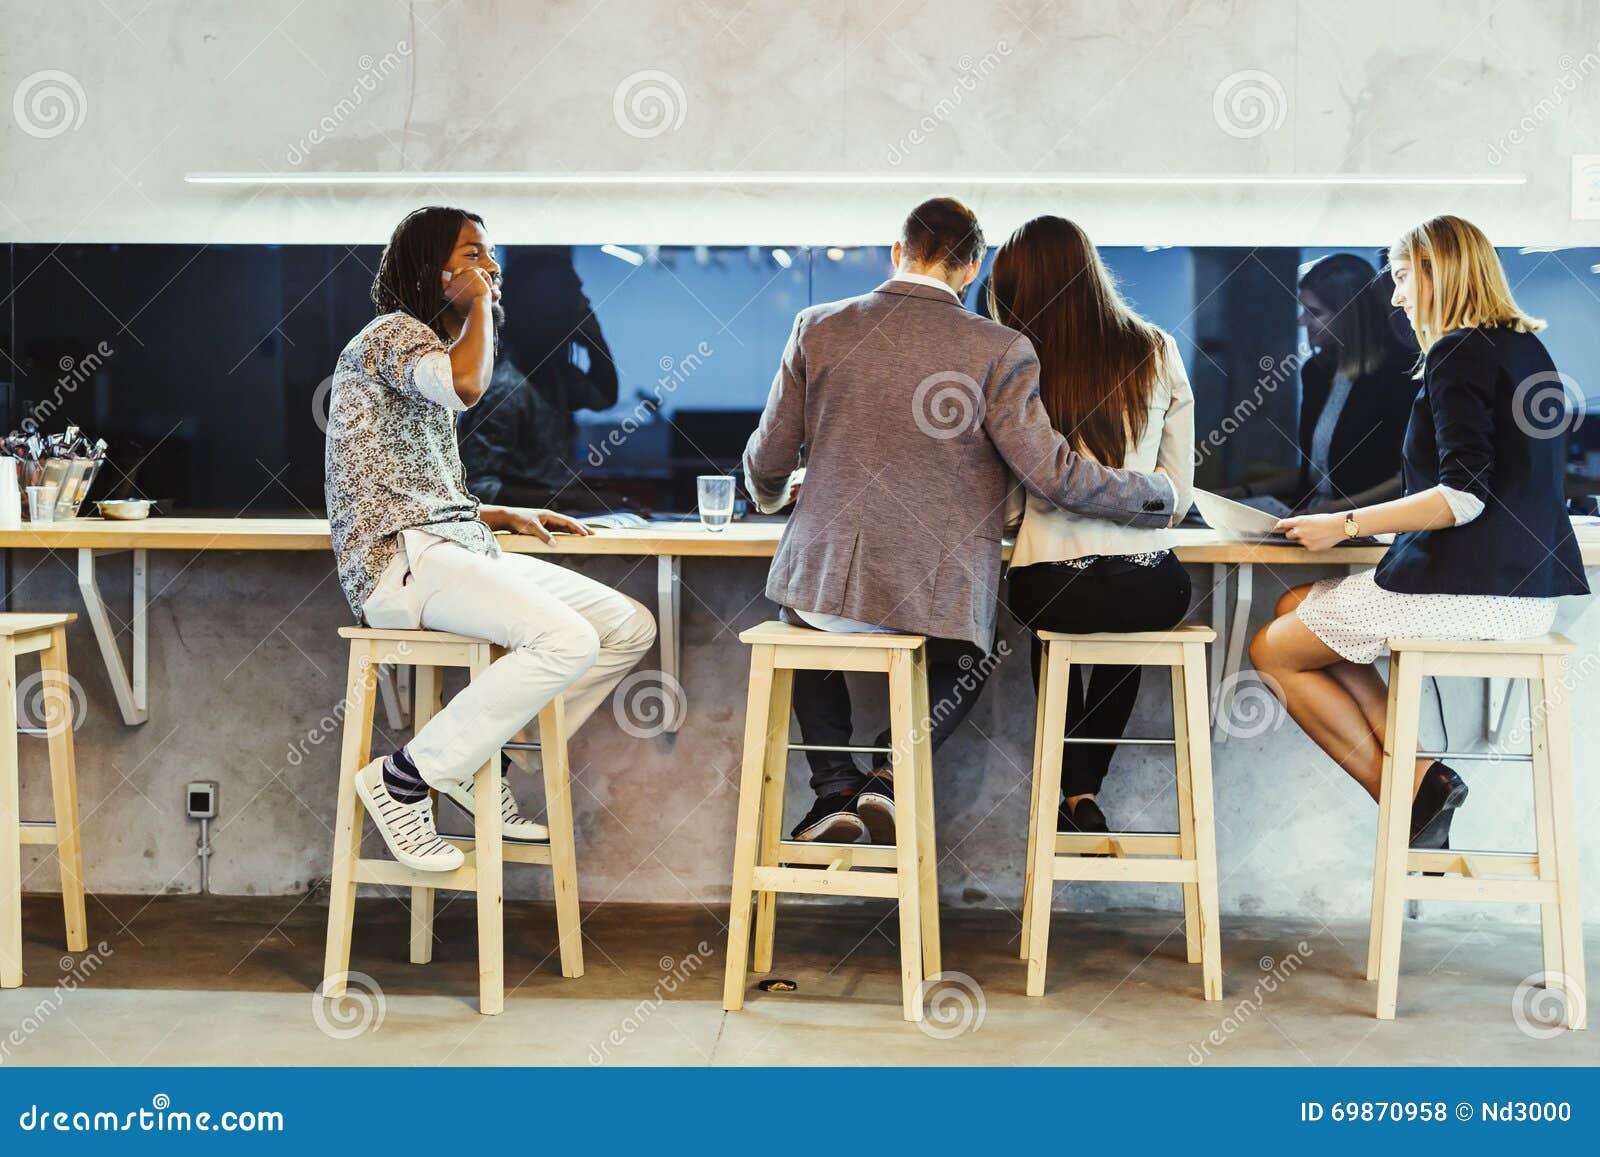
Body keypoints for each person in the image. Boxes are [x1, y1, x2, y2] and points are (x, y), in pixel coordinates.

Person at [743, 197, 1179, 844]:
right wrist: (1156, 495)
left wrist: (773, 495)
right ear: (972, 268)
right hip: (934, 595)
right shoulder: (1001, 348)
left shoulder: (818, 325)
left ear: (898, 251)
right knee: (964, 656)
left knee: (796, 620)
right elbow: (1051, 473)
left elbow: (770, 456)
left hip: (824, 584)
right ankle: (889, 774)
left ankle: (831, 787)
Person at [325, 206, 656, 871]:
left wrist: (500, 514)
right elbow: (467, 387)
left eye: (491, 255)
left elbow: (420, 476)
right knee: (568, 639)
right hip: (401, 563)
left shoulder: (428, 348)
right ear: (431, 268)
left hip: (452, 545)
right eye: (474, 255)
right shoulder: (392, 335)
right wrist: (481, 305)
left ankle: (482, 757)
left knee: (627, 625)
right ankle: (406, 777)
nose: (492, 268)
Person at [1252, 214, 1588, 852]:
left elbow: (1461, 497)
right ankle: (1424, 776)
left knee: (1272, 650)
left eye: (1404, 278)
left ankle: (1407, 791)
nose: (1398, 297)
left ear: (1444, 273)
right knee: (1300, 607)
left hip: (1472, 592)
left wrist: (1343, 523)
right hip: (1527, 595)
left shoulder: (1457, 350)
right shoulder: (1522, 346)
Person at [993, 216, 1196, 836]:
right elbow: (1177, 496)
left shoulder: (1014, 361)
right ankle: (1083, 792)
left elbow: (1005, 510)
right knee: (1124, 620)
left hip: (1050, 584)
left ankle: (1069, 785)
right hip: (1153, 585)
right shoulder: (1157, 348)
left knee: (1057, 623)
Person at [1228, 253, 1416, 512]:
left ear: (1349, 316)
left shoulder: (1402, 373)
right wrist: (1241, 493)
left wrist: (1336, 510)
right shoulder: (1317, 372)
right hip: (1314, 522)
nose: (1302, 320)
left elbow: (1406, 479)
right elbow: (1316, 475)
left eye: (1314, 312)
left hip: (1366, 530)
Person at [457, 247, 619, 511]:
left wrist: (595, 338)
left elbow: (604, 397)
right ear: (550, 308)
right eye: (576, 295)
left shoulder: (551, 373)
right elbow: (478, 488)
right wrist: (572, 498)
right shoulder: (506, 389)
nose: (586, 304)